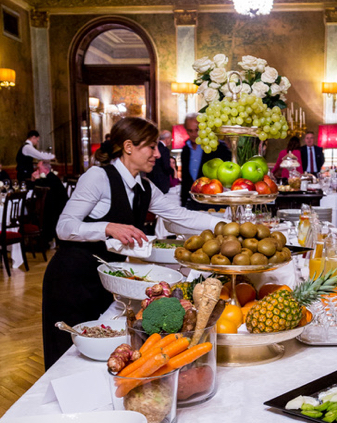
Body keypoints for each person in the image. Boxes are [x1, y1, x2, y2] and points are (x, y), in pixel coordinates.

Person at [42, 116, 223, 368]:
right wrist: (107, 227)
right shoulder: (98, 177)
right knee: (67, 356)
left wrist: (224, 224)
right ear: (129, 147)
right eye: (151, 146)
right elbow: (63, 227)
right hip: (71, 279)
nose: (158, 154)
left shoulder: (145, 188)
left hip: (106, 280)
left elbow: (180, 215)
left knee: (101, 351)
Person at [179, 114, 230, 207]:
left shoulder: (218, 147)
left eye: (197, 130)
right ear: (186, 130)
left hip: (215, 202)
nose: (194, 134)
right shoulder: (185, 150)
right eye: (190, 131)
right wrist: (182, 204)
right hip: (194, 203)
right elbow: (185, 179)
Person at [30, 159, 68, 243]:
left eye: (39, 168)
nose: (37, 171)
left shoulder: (51, 178)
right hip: (53, 208)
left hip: (56, 210)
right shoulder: (48, 178)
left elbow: (40, 190)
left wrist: (35, 180)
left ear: (46, 170)